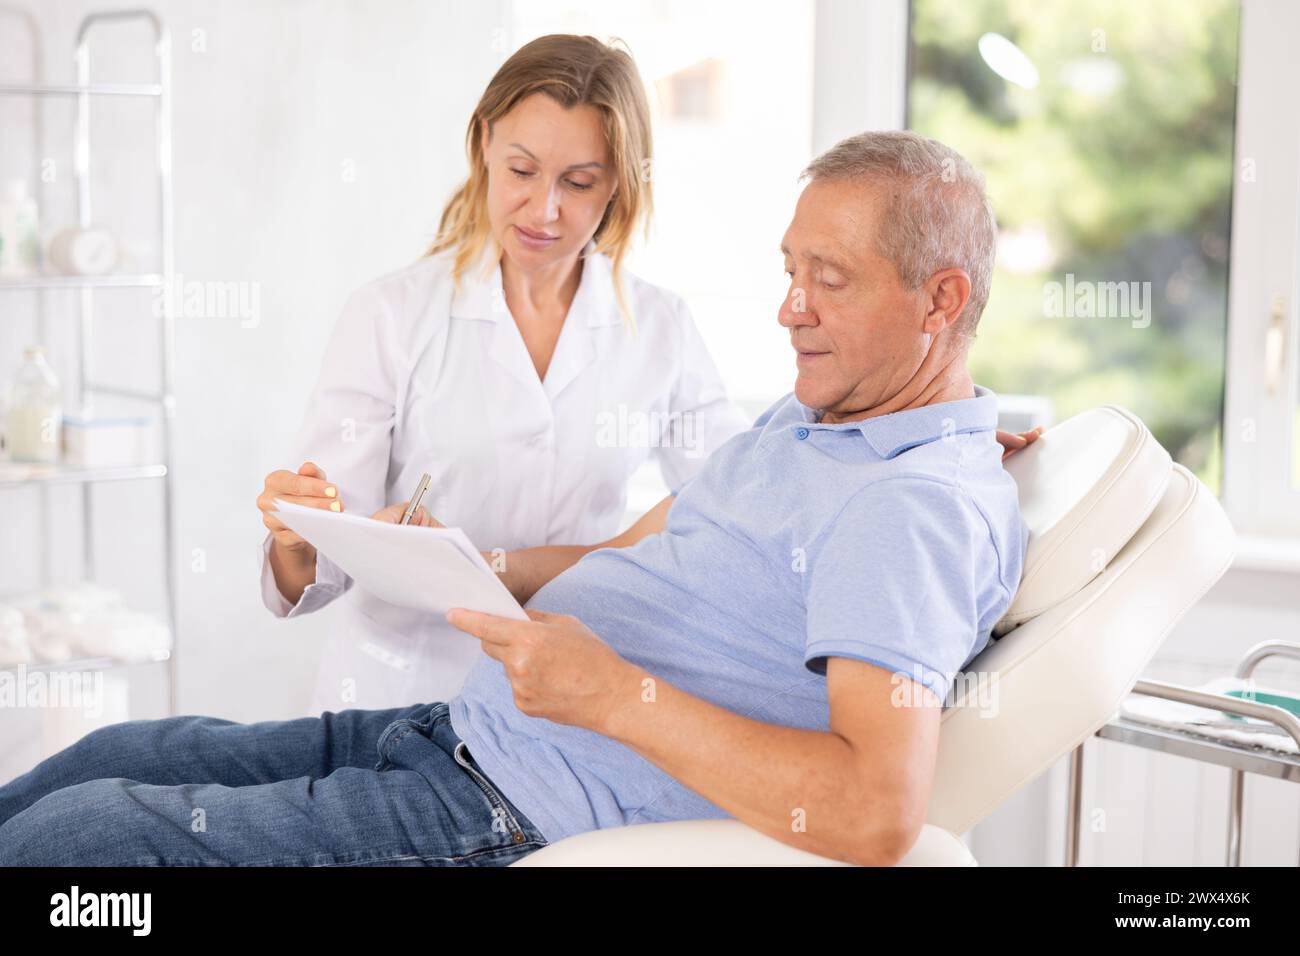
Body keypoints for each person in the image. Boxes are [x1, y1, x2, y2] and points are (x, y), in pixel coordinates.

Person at [1, 130, 1036, 867]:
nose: (788, 307)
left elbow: (875, 813)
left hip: (511, 810)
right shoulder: (822, 422)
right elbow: (637, 544)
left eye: (830, 279)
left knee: (82, 842)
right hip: (459, 729)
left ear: (940, 299)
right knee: (111, 755)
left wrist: (610, 692)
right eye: (788, 270)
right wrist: (461, 560)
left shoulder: (913, 505)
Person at [256, 34, 749, 714]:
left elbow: (733, 509)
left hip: (558, 709)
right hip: (399, 694)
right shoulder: (391, 314)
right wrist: (298, 538)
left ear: (619, 184)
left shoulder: (661, 329)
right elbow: (321, 558)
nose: (544, 210)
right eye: (522, 171)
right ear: (485, 143)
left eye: (579, 183)